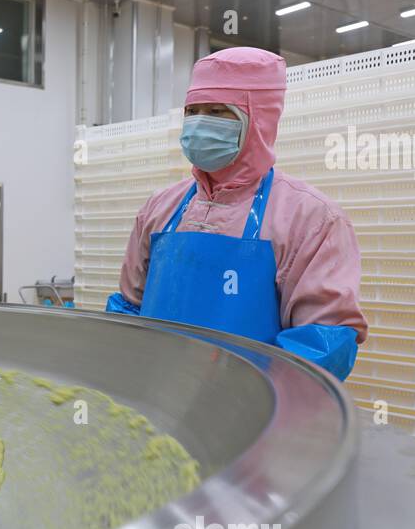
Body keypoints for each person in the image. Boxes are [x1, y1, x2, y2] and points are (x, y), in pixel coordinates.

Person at [105, 46, 366, 381]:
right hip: (157, 403)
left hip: (256, 417)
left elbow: (325, 343)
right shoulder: (159, 208)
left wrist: (243, 396)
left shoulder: (311, 218)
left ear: (259, 119)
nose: (199, 123)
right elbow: (128, 310)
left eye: (216, 111)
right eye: (192, 111)